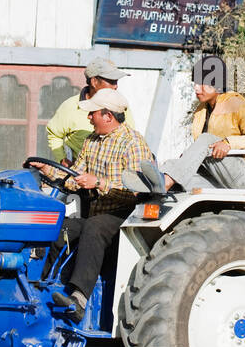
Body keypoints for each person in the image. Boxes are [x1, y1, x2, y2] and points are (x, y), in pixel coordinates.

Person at [31, 89, 154, 320]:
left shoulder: (133, 143)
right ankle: (39, 285)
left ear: (108, 116)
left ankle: (79, 299)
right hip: (93, 212)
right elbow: (74, 177)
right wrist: (47, 170)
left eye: (93, 114)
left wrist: (99, 182)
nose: (89, 118)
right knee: (62, 227)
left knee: (94, 228)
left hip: (123, 215)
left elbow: (141, 188)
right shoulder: (91, 141)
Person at [159, 56, 245, 192]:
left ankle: (165, 182)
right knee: (174, 169)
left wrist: (228, 143)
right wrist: (187, 158)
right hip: (220, 175)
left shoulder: (241, 106)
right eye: (195, 83)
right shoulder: (201, 110)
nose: (196, 89)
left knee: (206, 139)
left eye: (201, 83)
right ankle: (150, 184)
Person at [45, 57, 129, 165]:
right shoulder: (70, 106)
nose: (116, 86)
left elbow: (128, 137)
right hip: (80, 170)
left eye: (116, 81)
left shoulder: (118, 104)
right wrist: (62, 158)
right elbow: (54, 134)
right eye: (111, 81)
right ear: (94, 81)